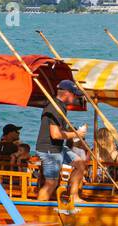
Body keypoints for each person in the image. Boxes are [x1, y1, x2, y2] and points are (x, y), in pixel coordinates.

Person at [35, 79, 88, 210]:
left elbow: (58, 134)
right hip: (49, 150)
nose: (75, 97)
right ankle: (38, 211)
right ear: (67, 93)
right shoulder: (55, 107)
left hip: (58, 147)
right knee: (51, 183)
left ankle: (74, 196)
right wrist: (77, 134)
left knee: (80, 164)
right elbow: (56, 134)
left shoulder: (60, 106)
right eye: (74, 94)